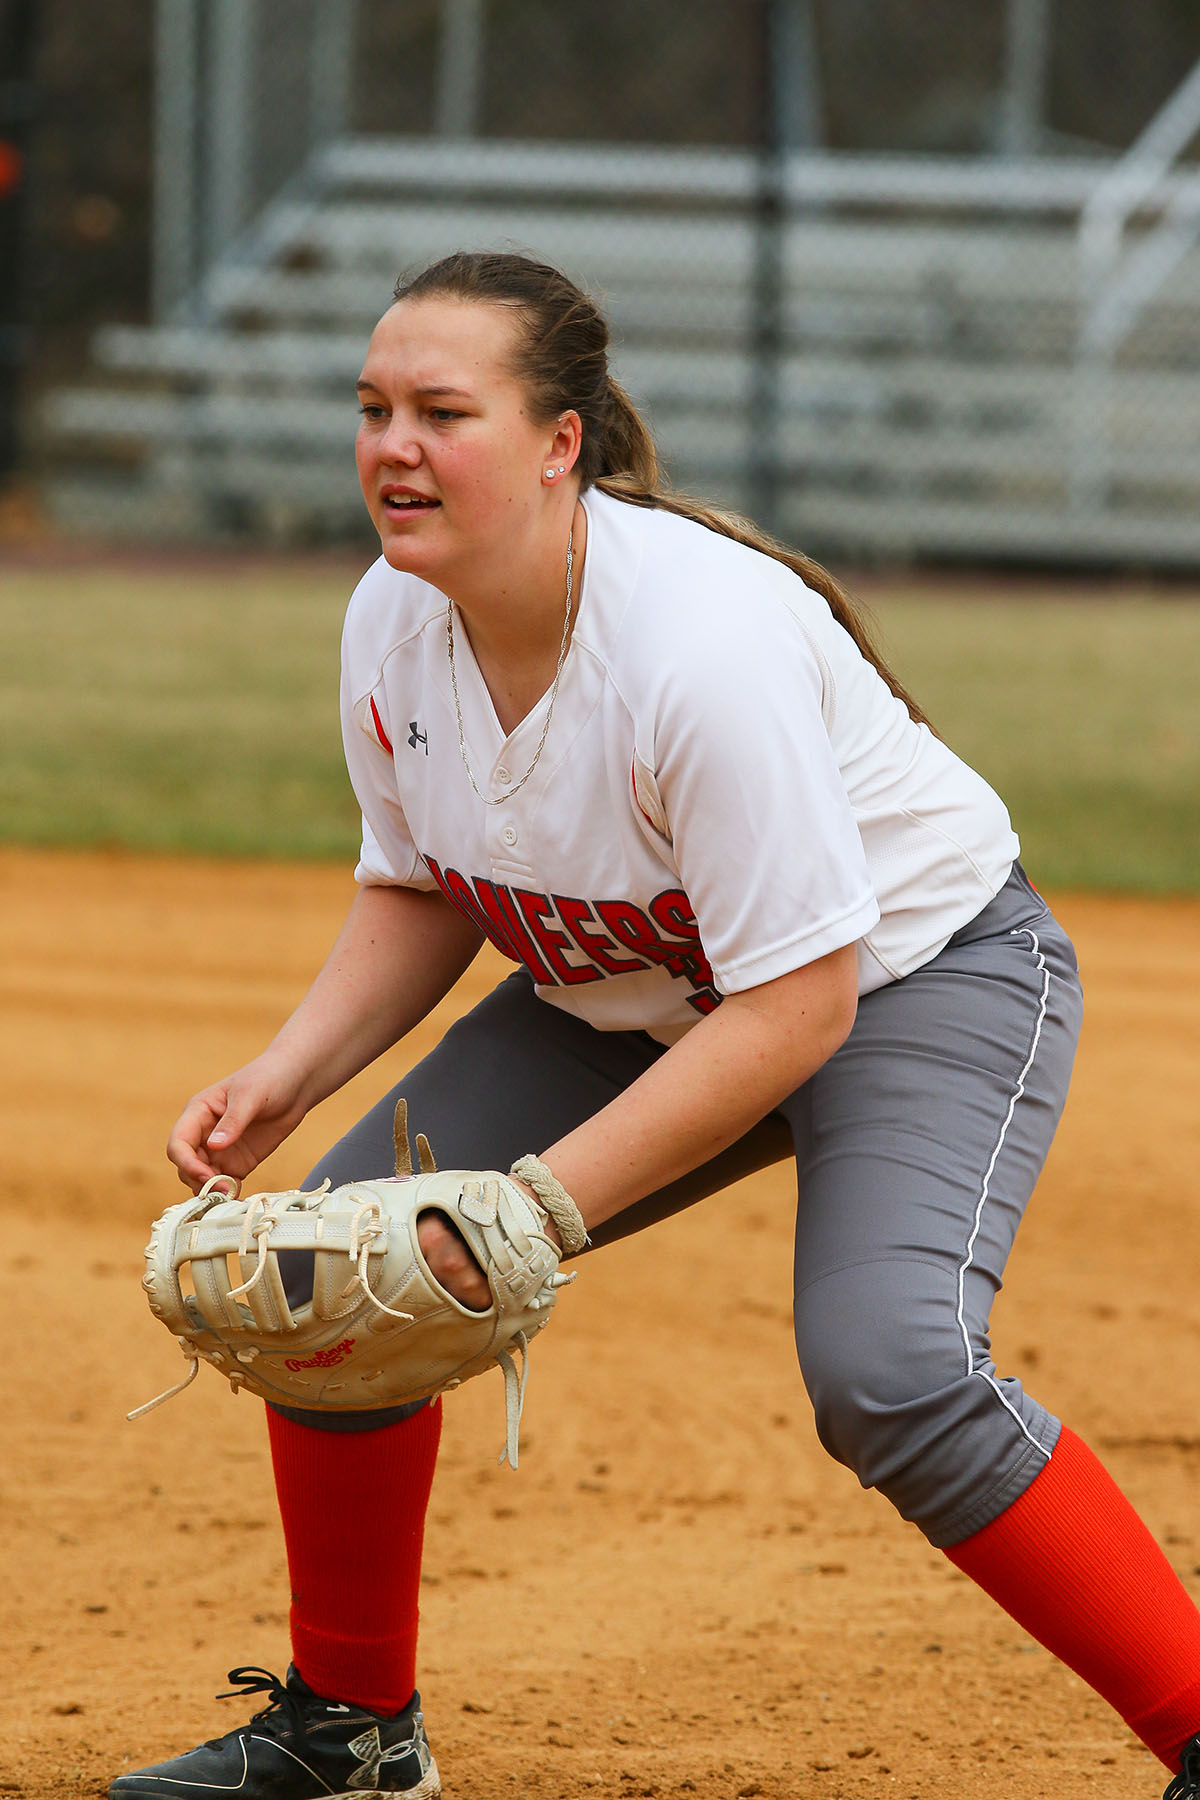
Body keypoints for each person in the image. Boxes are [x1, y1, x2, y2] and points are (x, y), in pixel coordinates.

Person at [110, 251, 1200, 1800]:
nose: (393, 446)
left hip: (906, 979)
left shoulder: (696, 647)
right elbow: (427, 888)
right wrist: (285, 1075)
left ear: (561, 442)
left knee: (887, 1368)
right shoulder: (395, 618)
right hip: (626, 997)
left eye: (442, 410)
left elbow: (803, 996)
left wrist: (533, 1211)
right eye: (372, 410)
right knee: (323, 1282)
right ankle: (354, 1730)